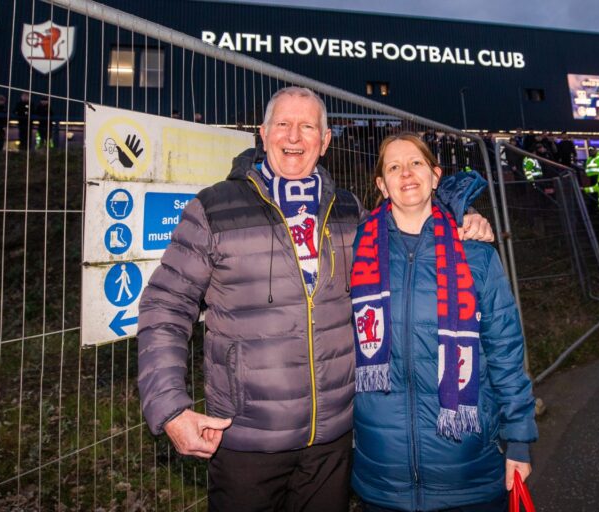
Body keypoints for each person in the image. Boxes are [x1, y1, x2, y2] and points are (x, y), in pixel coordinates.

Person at [136, 87, 494, 512]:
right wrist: (170, 406)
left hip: (332, 441)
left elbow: (410, 217)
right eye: (283, 124)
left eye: (308, 126)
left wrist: (459, 213)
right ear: (263, 133)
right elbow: (165, 308)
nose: (294, 136)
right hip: (246, 437)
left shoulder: (347, 211)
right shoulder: (214, 208)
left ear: (324, 142)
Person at [351, 133, 537, 511]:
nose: (406, 173)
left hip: (467, 469)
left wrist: (518, 438)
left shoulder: (475, 252)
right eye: (393, 167)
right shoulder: (356, 250)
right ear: (381, 185)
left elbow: (505, 352)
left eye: (416, 163)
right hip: (383, 475)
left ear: (436, 176)